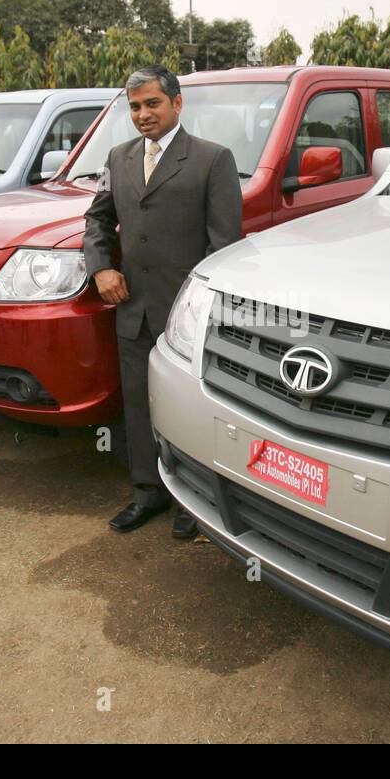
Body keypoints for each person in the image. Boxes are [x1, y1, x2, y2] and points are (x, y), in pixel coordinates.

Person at [84, 65, 242, 538]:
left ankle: (191, 500)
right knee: (138, 402)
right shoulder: (118, 158)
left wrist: (201, 313)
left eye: (152, 103)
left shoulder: (212, 161)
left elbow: (224, 246)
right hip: (133, 308)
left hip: (187, 318)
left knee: (188, 407)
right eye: (134, 106)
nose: (143, 114)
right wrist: (101, 268)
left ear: (177, 103)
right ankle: (146, 491)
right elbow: (96, 220)